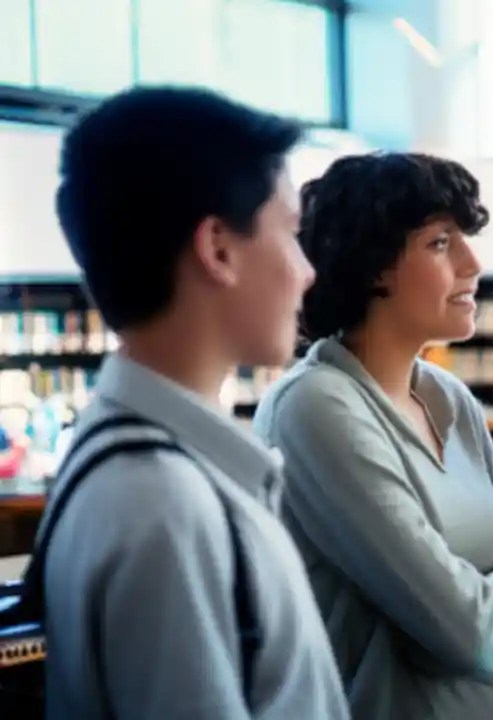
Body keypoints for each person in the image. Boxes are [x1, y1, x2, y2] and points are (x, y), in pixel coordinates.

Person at [42, 87, 348, 718]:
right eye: (290, 233)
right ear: (218, 249)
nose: (306, 270)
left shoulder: (146, 471)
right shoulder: (161, 505)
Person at [252, 152, 493, 720]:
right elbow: (470, 634)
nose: (473, 264)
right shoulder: (316, 408)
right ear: (374, 267)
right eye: (441, 243)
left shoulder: (450, 398)